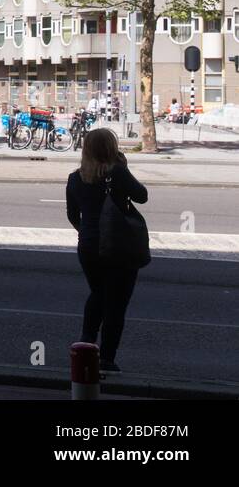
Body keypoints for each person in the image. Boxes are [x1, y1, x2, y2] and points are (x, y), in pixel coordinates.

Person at [65, 128, 147, 374]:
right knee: (116, 304)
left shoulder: (75, 178)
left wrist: (87, 232)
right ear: (111, 148)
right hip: (119, 245)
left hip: (89, 247)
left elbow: (72, 214)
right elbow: (142, 196)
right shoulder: (117, 173)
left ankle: (86, 345)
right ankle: (107, 359)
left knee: (98, 294)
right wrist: (124, 167)